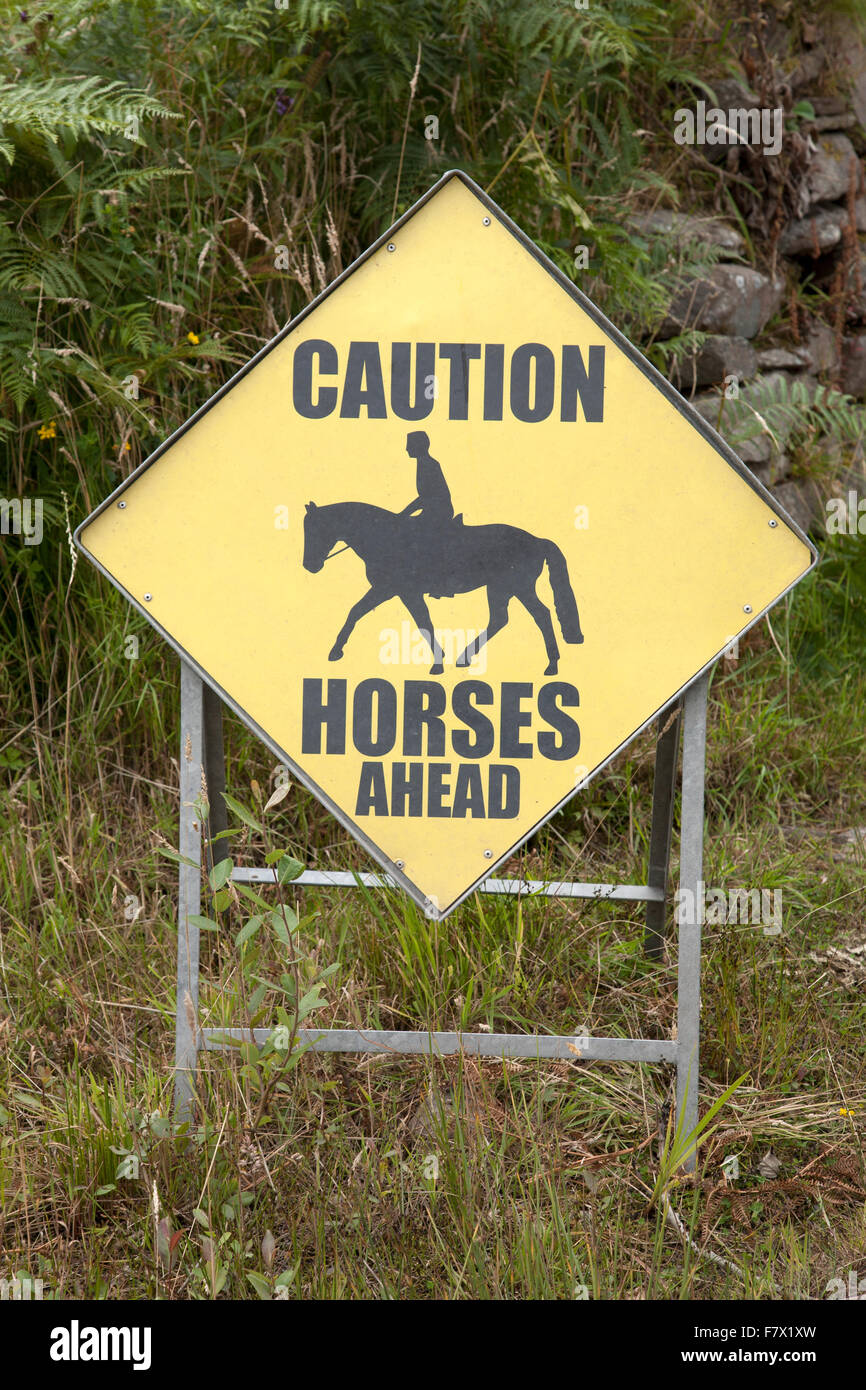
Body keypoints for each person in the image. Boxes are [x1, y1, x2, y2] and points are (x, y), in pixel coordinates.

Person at [400, 431, 455, 530]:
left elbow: (425, 498)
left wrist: (403, 514)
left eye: (409, 444)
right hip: (432, 510)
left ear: (418, 446)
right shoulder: (423, 463)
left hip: (439, 513)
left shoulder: (429, 465)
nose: (406, 449)